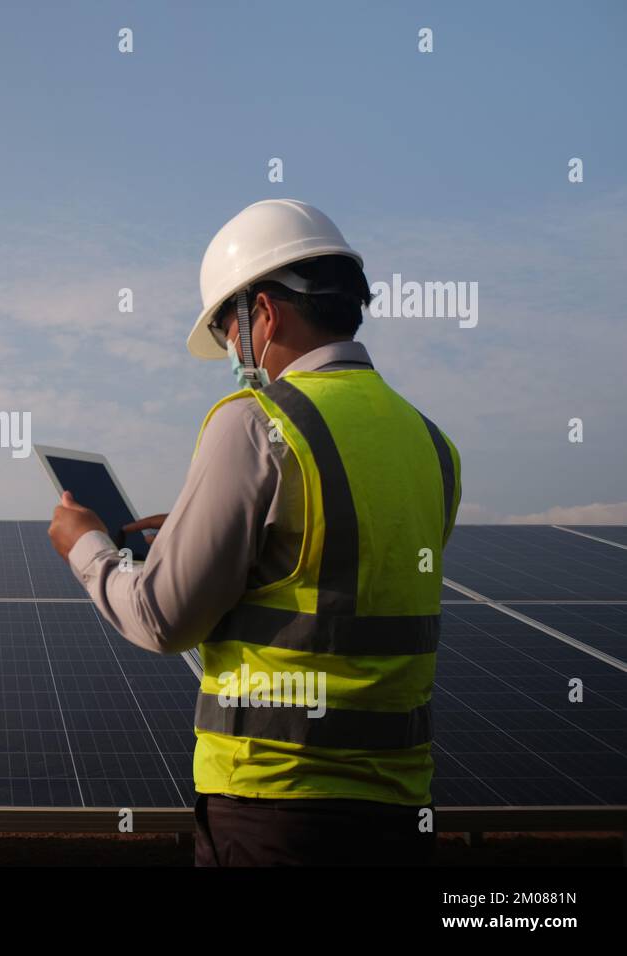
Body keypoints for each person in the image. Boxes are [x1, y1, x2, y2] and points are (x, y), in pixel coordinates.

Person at [47, 199, 461, 866]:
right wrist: (212, 538)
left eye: (227, 332)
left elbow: (161, 620)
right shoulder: (431, 444)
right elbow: (335, 577)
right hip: (400, 806)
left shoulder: (255, 423)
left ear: (264, 313)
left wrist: (87, 549)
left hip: (275, 804)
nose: (235, 355)